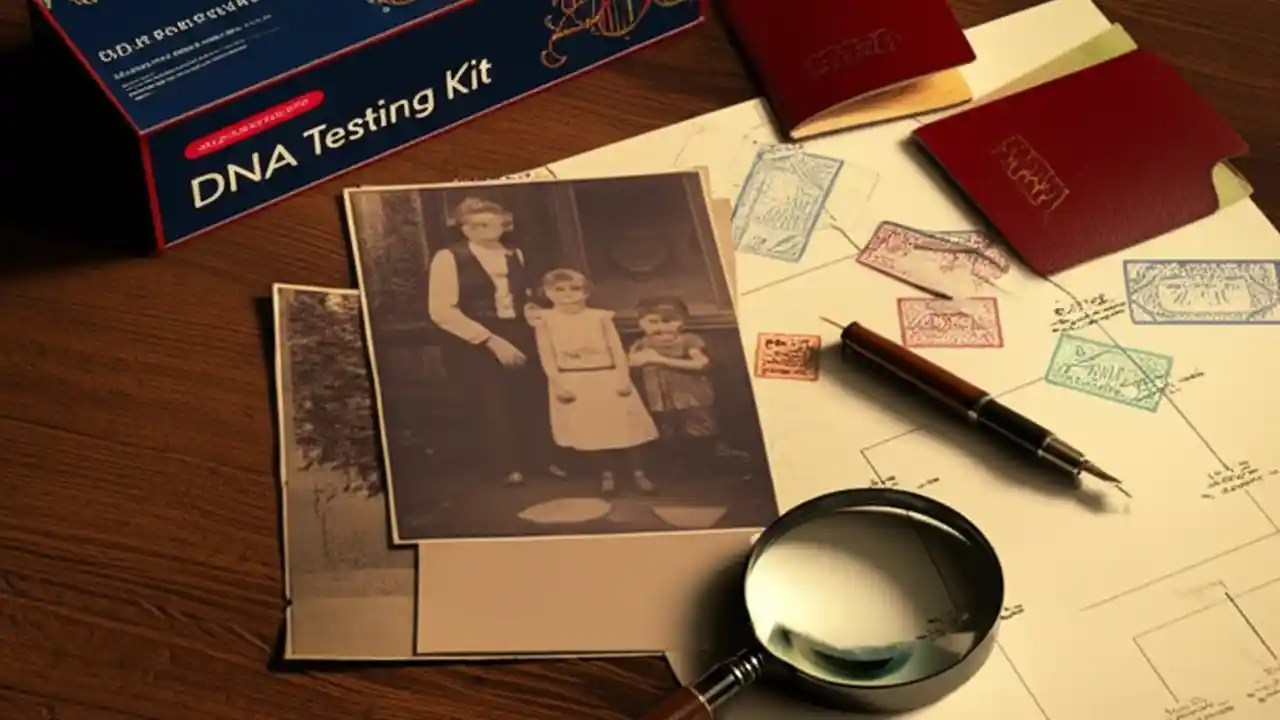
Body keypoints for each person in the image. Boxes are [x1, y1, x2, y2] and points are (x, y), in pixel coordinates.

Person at [426, 196, 563, 486]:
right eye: (476, 225)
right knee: (491, 401)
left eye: (492, 224)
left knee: (530, 395)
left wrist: (533, 315)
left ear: (504, 224)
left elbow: (519, 296)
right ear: (464, 228)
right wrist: (490, 340)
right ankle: (506, 467)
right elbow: (441, 311)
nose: (485, 230)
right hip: (472, 337)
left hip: (518, 330)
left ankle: (541, 460)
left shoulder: (515, 254)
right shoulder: (449, 258)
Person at [532, 268, 659, 495]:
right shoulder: (545, 320)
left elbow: (616, 349)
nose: (568, 294)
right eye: (559, 289)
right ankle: (606, 473)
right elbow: (547, 355)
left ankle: (639, 472)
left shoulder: (599, 317)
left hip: (607, 375)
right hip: (572, 379)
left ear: (586, 291)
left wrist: (623, 376)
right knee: (591, 430)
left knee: (628, 426)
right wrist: (558, 384)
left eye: (574, 288)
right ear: (547, 293)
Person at [627, 296, 723, 476]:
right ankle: (679, 467)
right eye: (653, 322)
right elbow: (631, 362)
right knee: (668, 432)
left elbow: (701, 363)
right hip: (659, 398)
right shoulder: (642, 344)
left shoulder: (688, 340)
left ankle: (704, 467)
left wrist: (659, 360)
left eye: (668, 321)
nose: (661, 327)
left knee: (699, 431)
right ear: (641, 323)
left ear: (682, 322)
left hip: (691, 397)